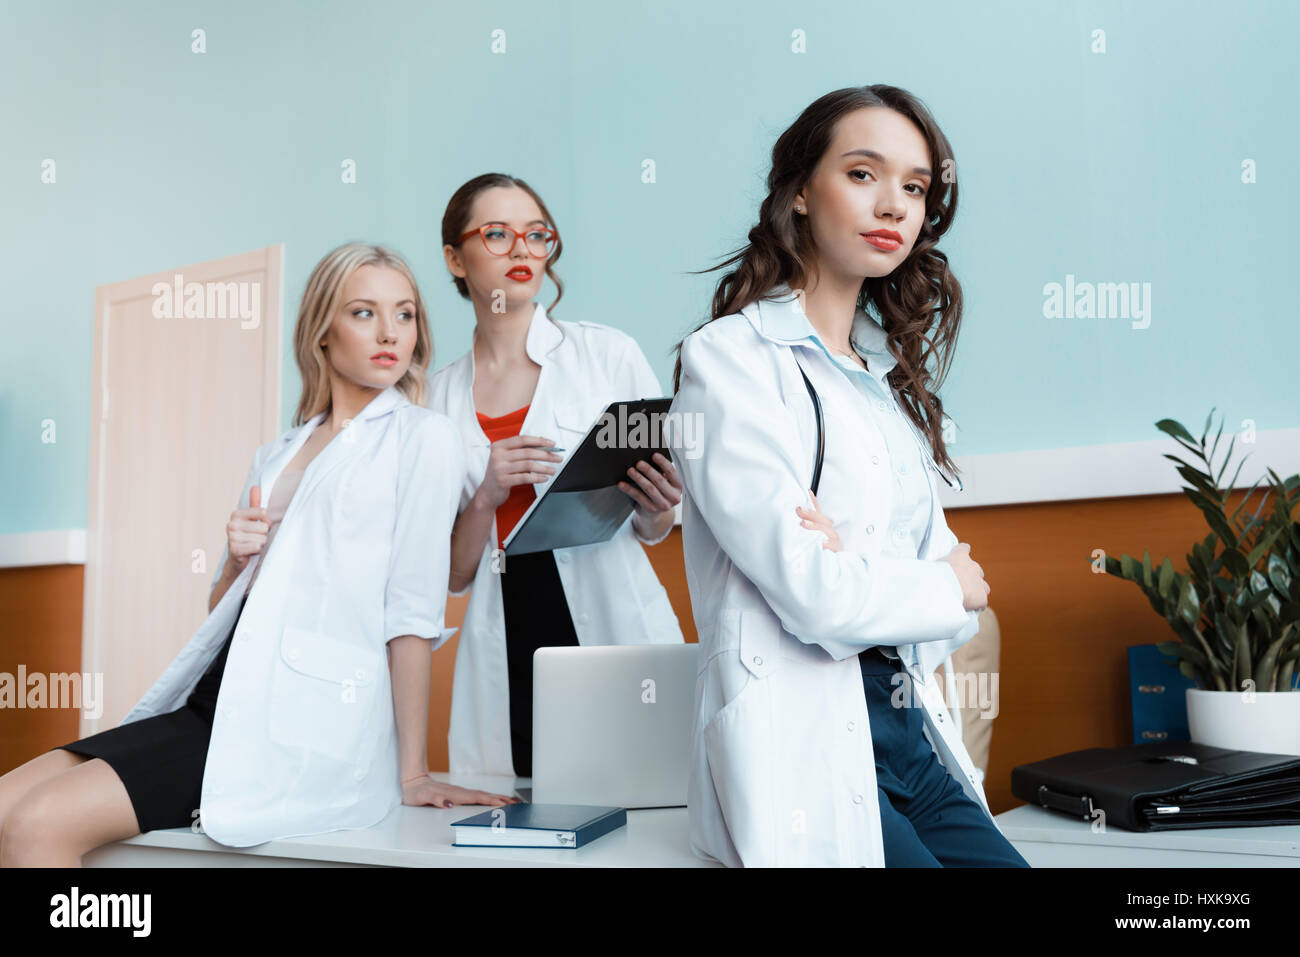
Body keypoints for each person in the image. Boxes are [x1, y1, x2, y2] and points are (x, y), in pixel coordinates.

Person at [0, 242, 516, 866]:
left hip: (298, 722)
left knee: (38, 825)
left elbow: (411, 609)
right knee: (7, 805)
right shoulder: (277, 453)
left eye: (404, 314)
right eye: (363, 313)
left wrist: (411, 773)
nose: (389, 333)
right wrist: (238, 559)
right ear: (322, 331)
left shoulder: (423, 439)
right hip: (217, 694)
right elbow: (223, 606)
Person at [669, 85, 1030, 867]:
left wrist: (873, 574)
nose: (894, 205)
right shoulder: (730, 360)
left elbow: (960, 600)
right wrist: (915, 581)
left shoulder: (885, 378)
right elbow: (813, 593)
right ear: (800, 191)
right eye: (863, 174)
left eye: (914, 186)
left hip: (909, 740)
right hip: (803, 746)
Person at [430, 173, 685, 778]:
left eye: (536, 234)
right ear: (454, 259)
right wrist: (486, 496)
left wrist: (659, 502)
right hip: (508, 628)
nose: (522, 250)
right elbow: (455, 574)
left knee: (648, 803)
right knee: (518, 805)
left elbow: (657, 527)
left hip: (611, 614)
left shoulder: (607, 356)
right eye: (497, 234)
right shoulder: (435, 399)